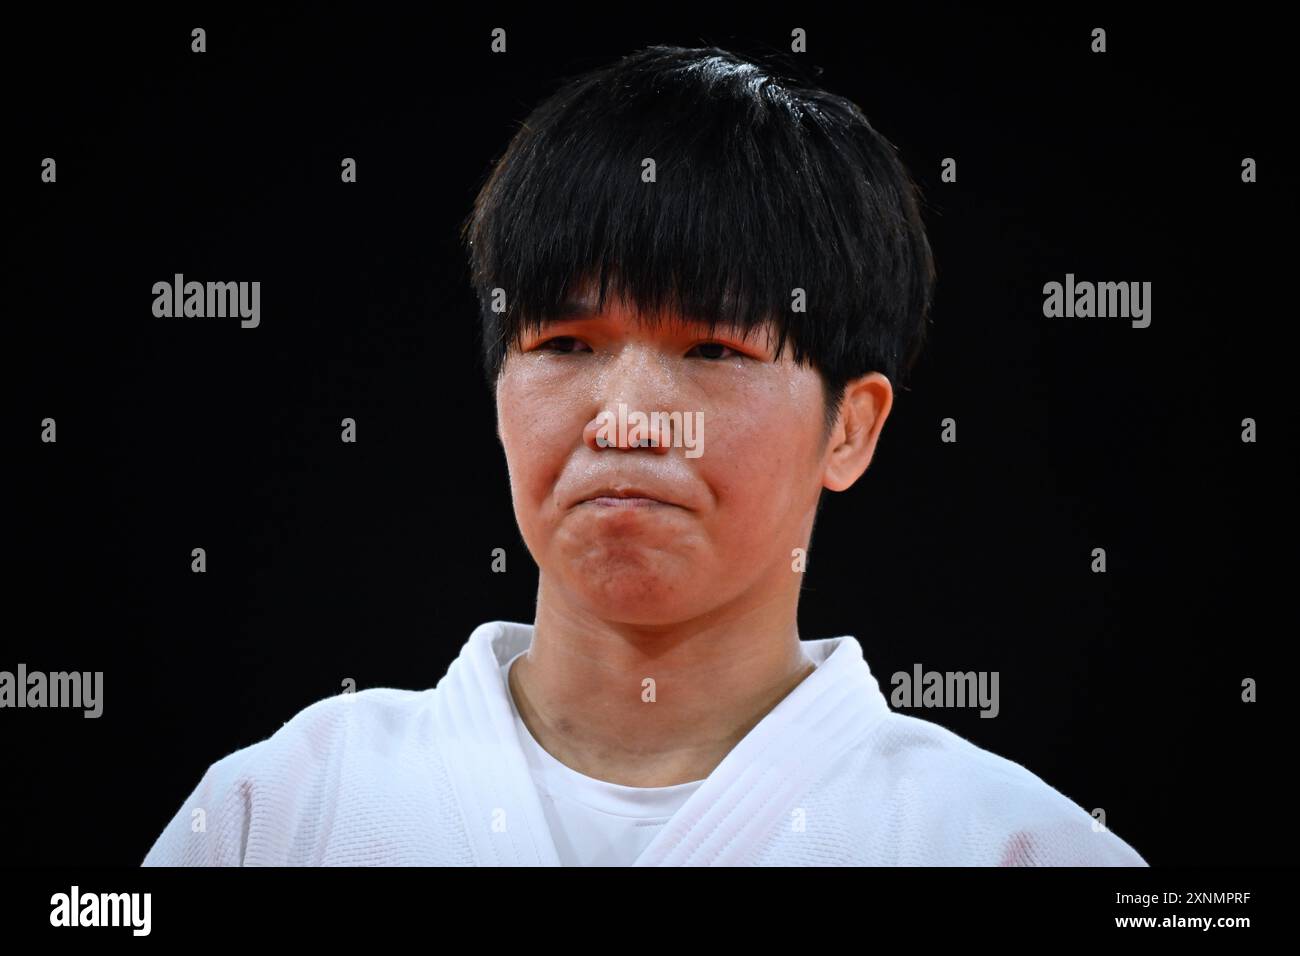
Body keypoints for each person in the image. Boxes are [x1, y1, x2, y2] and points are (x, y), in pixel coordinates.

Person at [142, 45, 1146, 866]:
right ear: (497, 391)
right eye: (565, 346)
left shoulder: (1014, 848)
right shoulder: (279, 810)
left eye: (712, 350)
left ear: (850, 426)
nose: (626, 420)